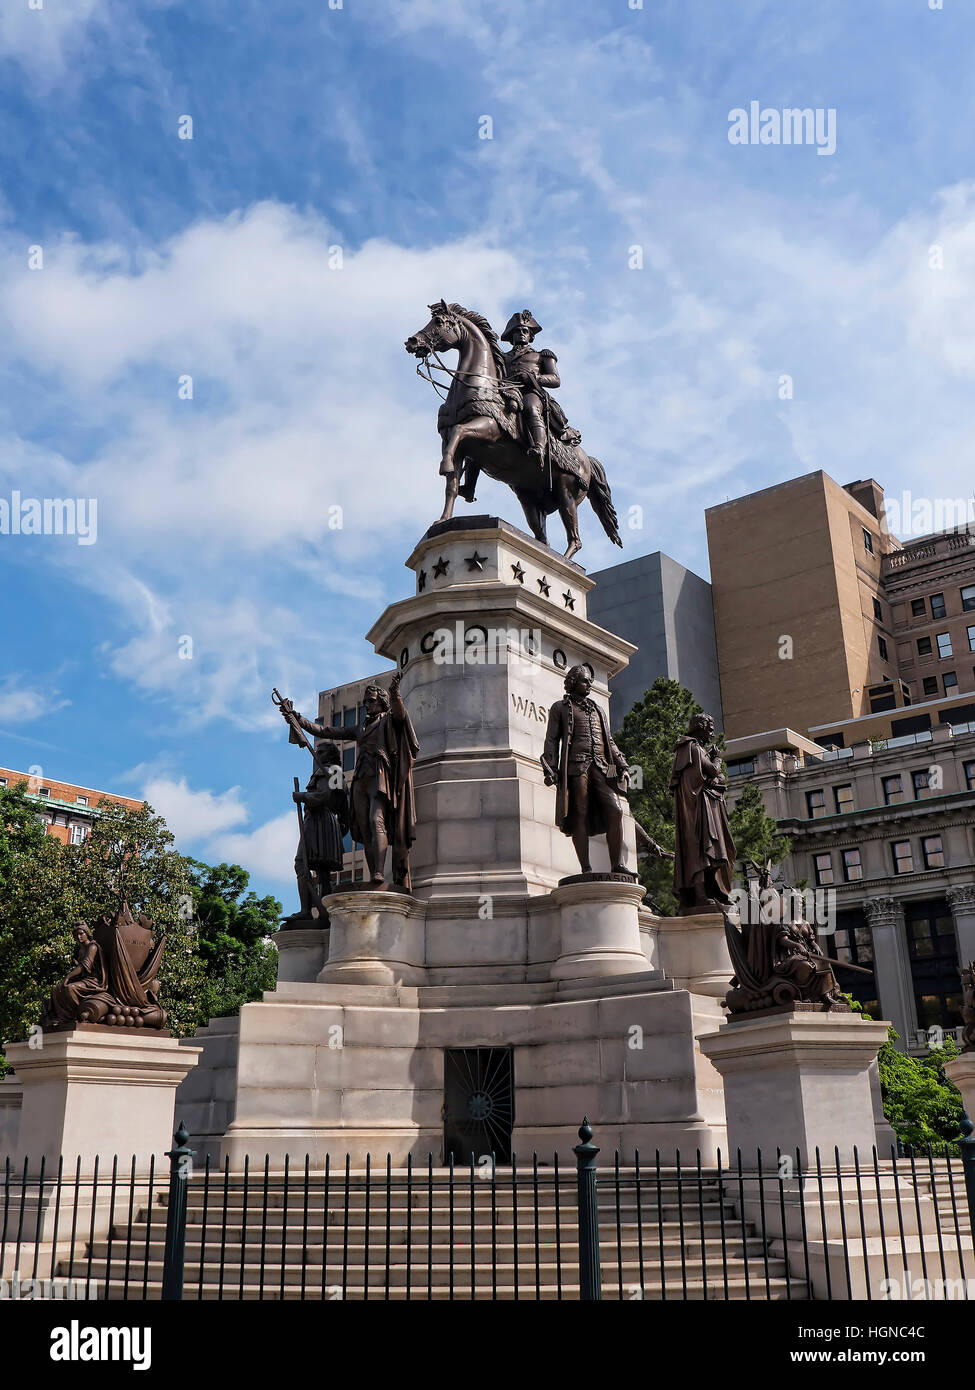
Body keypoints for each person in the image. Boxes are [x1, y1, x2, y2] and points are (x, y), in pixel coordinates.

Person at [282, 673, 418, 889]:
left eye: (371, 701)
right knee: (364, 829)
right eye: (365, 702)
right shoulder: (359, 728)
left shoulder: (388, 720)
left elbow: (401, 716)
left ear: (381, 702)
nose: (367, 705)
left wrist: (395, 694)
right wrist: (298, 719)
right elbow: (326, 730)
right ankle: (374, 873)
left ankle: (379, 873)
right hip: (361, 779)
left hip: (380, 776)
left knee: (376, 822)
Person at [541, 664, 630, 875]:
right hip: (576, 767)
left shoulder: (599, 709)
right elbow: (552, 739)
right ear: (572, 682)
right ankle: (586, 868)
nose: (589, 684)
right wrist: (550, 768)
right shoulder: (560, 708)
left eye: (590, 680)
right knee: (579, 813)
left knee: (615, 811)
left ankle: (617, 864)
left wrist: (623, 765)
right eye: (584, 680)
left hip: (600, 766)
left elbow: (609, 741)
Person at [669, 712, 736, 913]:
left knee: (715, 853)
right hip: (698, 810)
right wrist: (717, 760)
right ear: (698, 727)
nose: (712, 731)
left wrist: (715, 774)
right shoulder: (692, 748)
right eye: (709, 727)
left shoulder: (696, 749)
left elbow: (717, 778)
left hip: (708, 807)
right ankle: (700, 894)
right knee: (701, 853)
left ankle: (714, 890)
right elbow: (714, 772)